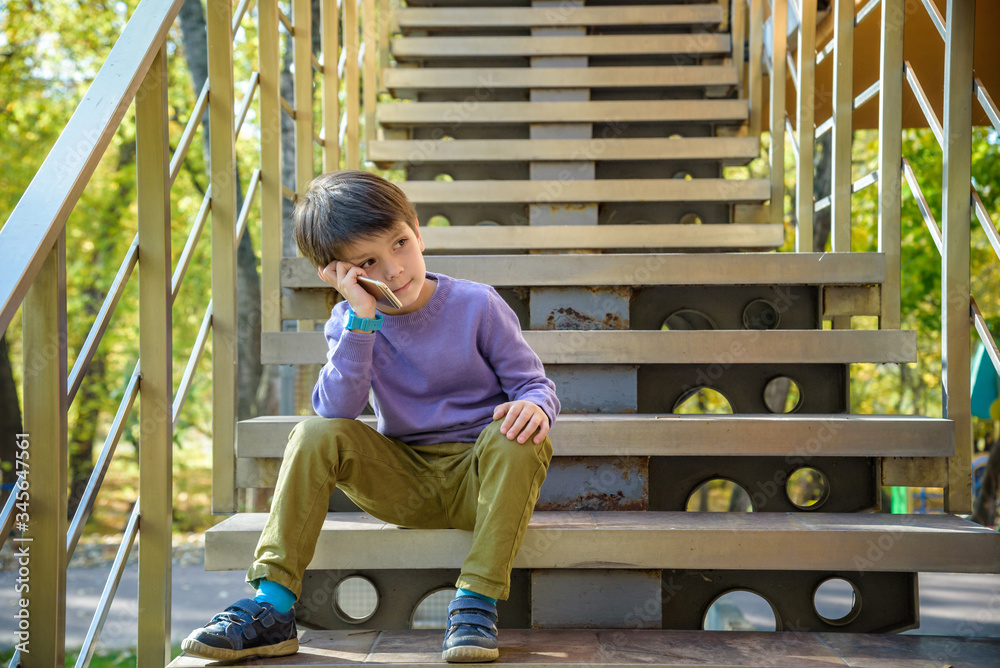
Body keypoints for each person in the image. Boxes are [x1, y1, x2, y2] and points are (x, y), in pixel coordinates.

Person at [182, 169, 559, 663]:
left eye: (401, 243)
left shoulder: (477, 305)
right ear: (341, 274)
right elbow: (335, 412)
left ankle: (475, 602)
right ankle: (272, 607)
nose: (395, 268)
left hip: (482, 480)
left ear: (417, 230)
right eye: (368, 262)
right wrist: (361, 319)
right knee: (314, 432)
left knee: (521, 437)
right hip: (402, 482)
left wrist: (535, 406)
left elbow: (534, 384)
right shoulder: (350, 323)